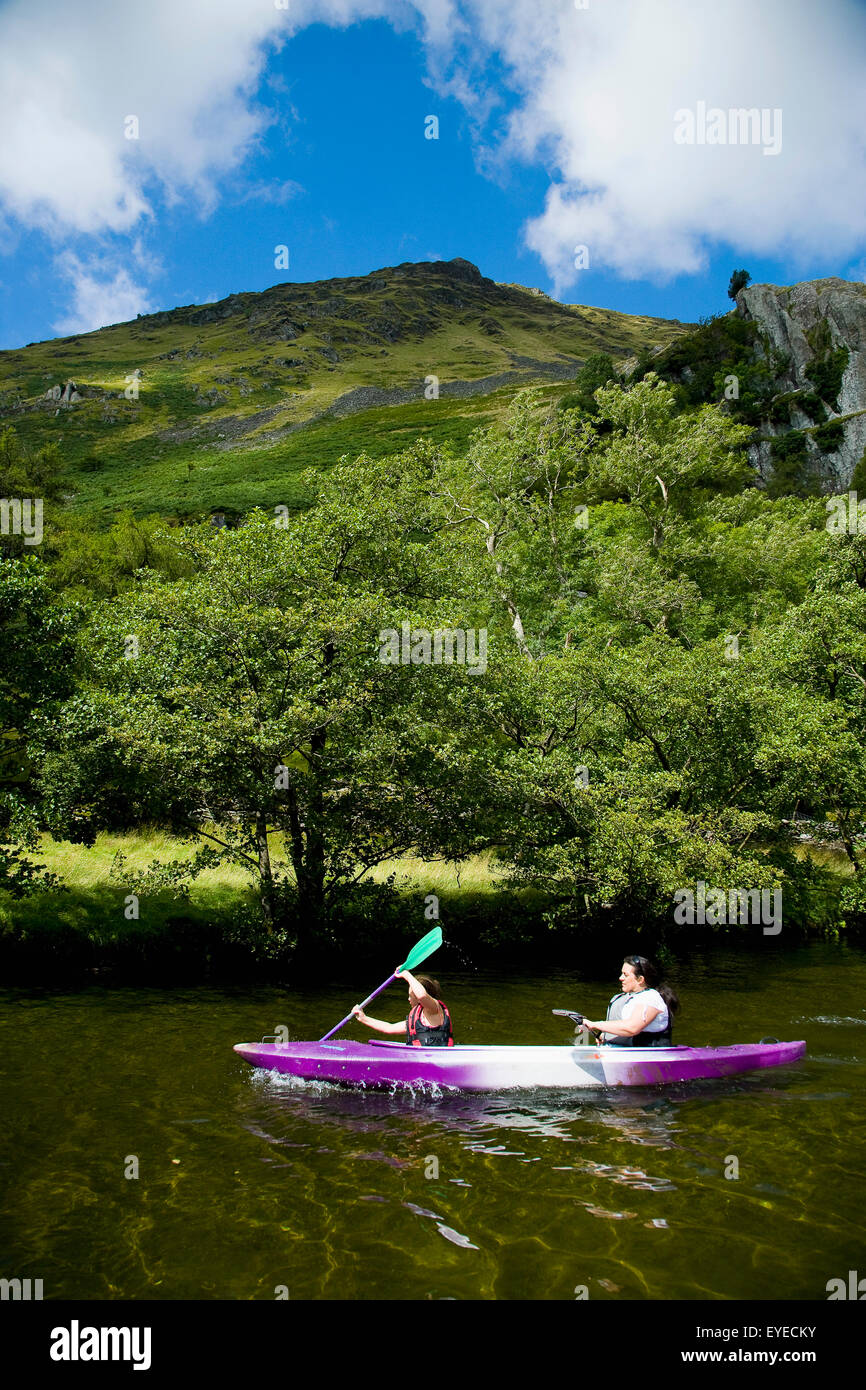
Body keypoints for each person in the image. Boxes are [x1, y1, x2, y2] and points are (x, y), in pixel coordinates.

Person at [581, 955, 679, 1047]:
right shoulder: (630, 998)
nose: (620, 978)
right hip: (628, 1053)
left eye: (625, 975)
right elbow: (623, 1027)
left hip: (652, 1057)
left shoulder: (651, 998)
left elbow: (632, 1028)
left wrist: (595, 1024)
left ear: (640, 979)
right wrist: (604, 1035)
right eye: (621, 974)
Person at [352, 970, 454, 1047]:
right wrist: (363, 1018)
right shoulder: (417, 1020)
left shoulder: (434, 1009)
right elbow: (389, 1028)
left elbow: (422, 995)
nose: (409, 999)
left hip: (437, 1060)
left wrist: (406, 975)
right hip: (422, 1061)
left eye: (411, 995)